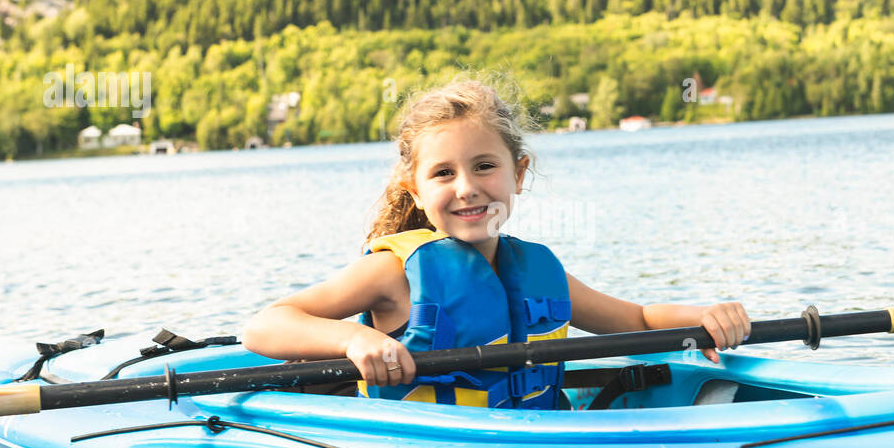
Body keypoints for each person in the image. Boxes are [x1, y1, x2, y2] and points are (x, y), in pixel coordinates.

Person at [241, 79, 751, 408]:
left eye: (485, 166)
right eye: (444, 173)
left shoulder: (538, 270)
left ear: (518, 173)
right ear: (414, 189)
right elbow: (264, 326)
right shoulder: (393, 274)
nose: (467, 187)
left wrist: (705, 317)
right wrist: (353, 340)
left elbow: (637, 321)